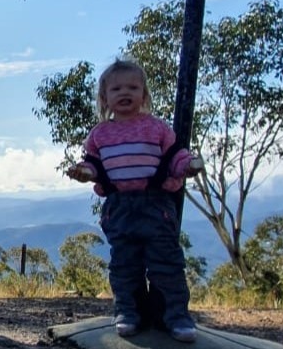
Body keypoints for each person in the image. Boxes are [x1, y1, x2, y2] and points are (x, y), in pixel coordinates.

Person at [67, 58, 204, 343]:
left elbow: (174, 157)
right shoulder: (100, 135)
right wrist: (83, 172)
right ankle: (129, 312)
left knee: (165, 263)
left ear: (144, 94)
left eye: (133, 86)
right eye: (117, 89)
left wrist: (188, 165)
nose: (125, 92)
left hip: (156, 205)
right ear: (105, 98)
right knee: (124, 264)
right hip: (119, 207)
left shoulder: (157, 128)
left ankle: (175, 317)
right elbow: (94, 165)